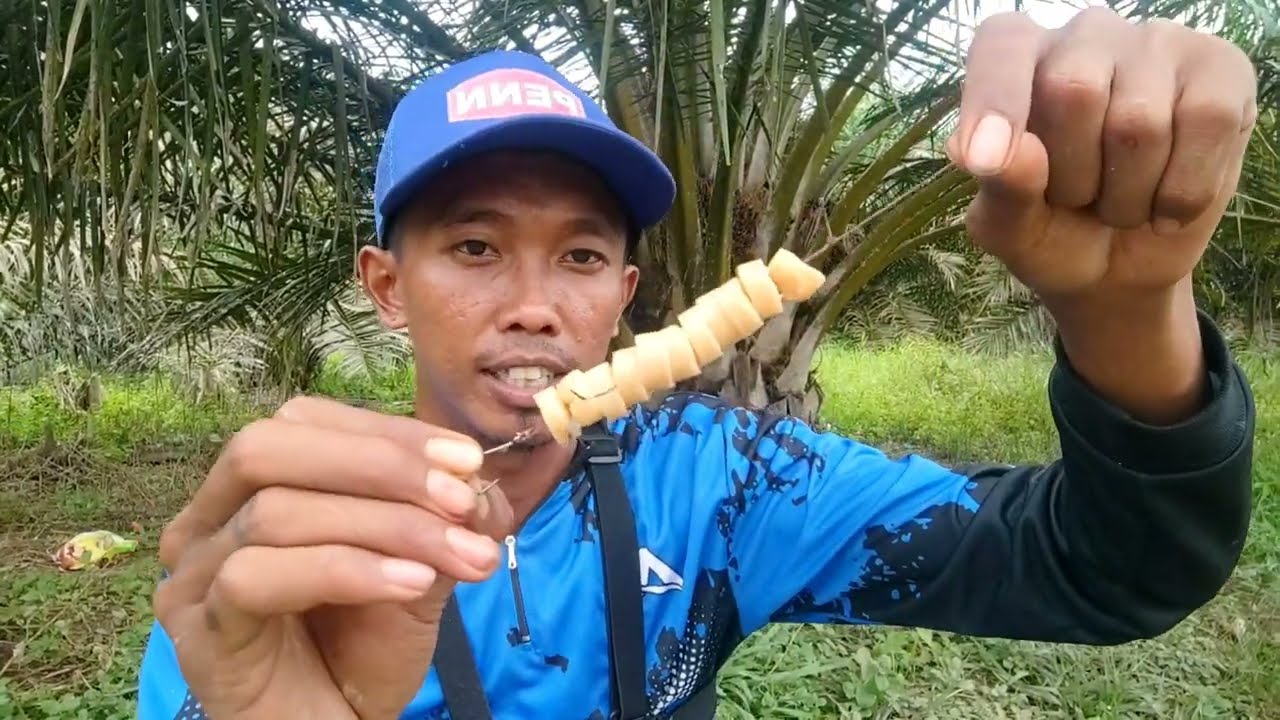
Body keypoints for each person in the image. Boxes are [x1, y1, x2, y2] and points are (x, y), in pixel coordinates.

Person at [136, 7, 1259, 720]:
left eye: (581, 255)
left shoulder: (720, 485)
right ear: (386, 285)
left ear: (625, 297)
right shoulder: (288, 541)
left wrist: (1125, 314)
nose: (533, 307)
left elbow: (1104, 570)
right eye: (474, 247)